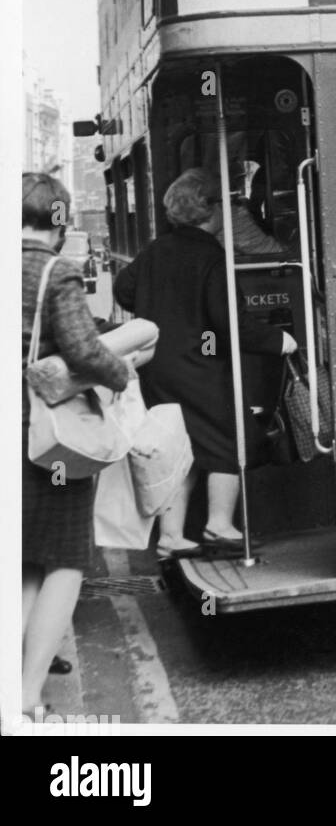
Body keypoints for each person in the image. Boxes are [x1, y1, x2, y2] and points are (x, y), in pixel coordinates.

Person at [114, 169, 298, 558]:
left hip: (158, 363)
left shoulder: (155, 250)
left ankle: (171, 535)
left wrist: (158, 303)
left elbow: (124, 290)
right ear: (209, 209)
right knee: (232, 434)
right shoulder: (211, 256)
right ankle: (218, 524)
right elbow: (227, 321)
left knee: (178, 445)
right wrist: (277, 340)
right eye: (223, 203)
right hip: (199, 363)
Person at [21, 172, 142, 716]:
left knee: (22, 561)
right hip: (44, 440)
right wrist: (122, 374)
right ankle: (25, 698)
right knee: (66, 561)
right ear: (59, 221)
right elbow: (83, 350)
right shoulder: (56, 271)